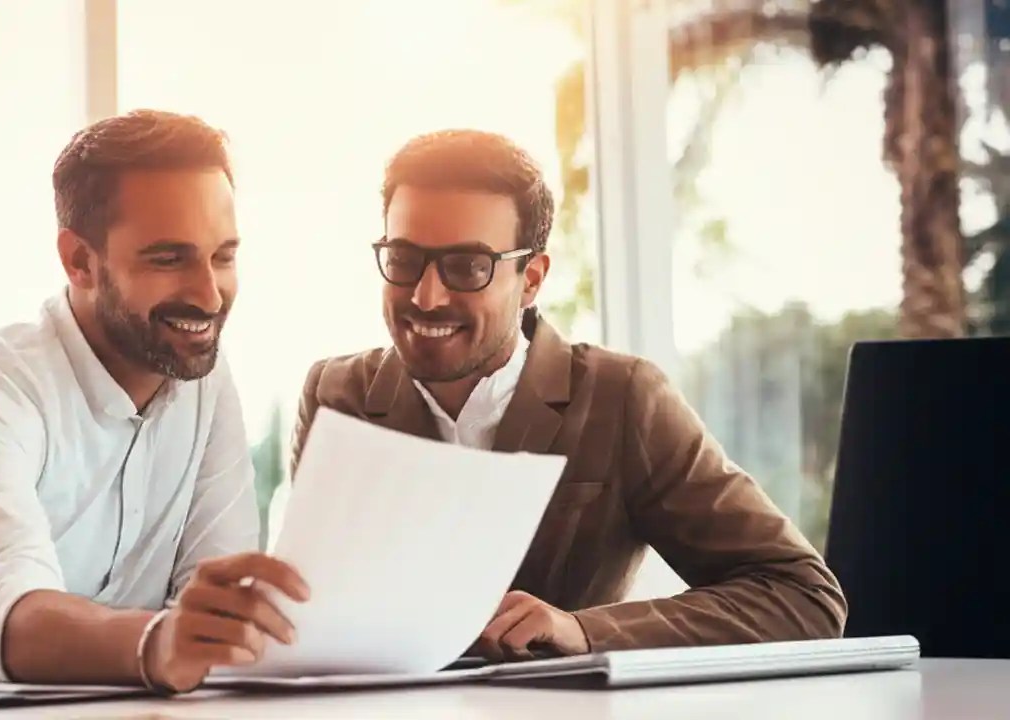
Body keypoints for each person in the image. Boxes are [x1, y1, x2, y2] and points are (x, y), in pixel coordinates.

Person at [290, 130, 847, 661]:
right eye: (405, 260)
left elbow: (802, 595)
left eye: (467, 267)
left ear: (531, 279)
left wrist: (584, 630)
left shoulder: (622, 398)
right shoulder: (337, 395)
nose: (427, 296)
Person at [0, 110, 307, 694]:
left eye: (223, 257)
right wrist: (140, 640)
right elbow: (11, 613)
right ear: (80, 260)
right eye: (169, 259)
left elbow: (215, 620)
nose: (209, 294)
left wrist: (54, 650)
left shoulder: (205, 384)